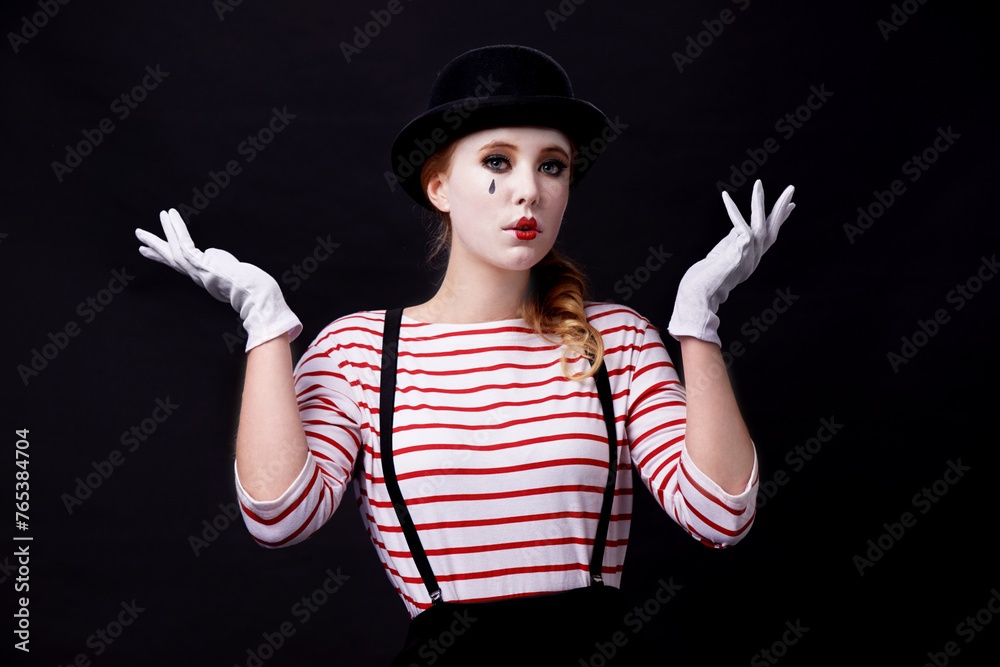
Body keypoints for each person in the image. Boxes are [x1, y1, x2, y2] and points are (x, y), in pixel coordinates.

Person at [135, 44, 795, 666]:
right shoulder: (360, 351)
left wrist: (697, 317)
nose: (529, 190)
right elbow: (279, 516)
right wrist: (264, 319)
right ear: (439, 185)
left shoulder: (613, 338)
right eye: (498, 161)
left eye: (552, 165)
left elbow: (721, 515)